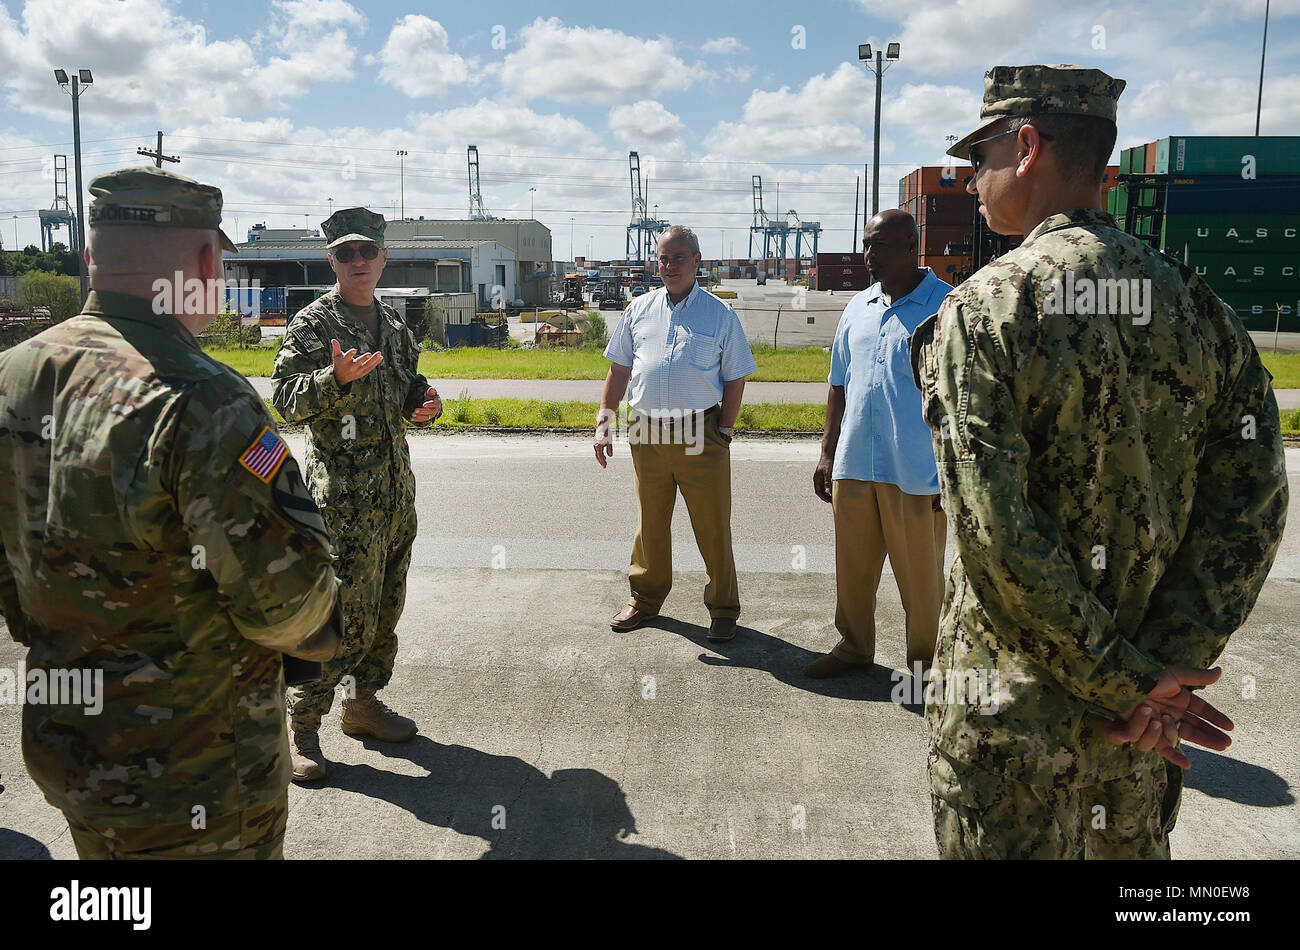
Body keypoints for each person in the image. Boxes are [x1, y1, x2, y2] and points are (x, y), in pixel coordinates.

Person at [911, 64, 1287, 859]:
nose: (974, 182)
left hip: (1015, 737)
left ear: (1027, 145)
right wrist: (1169, 669)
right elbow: (1253, 500)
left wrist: (1127, 683)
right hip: (1137, 748)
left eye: (979, 160)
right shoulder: (1197, 304)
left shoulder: (984, 310)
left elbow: (997, 537)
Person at [0, 166, 341, 859]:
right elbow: (288, 605)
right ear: (208, 261)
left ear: (92, 255)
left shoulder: (14, 374)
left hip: (68, 746)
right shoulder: (203, 400)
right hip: (194, 773)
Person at [272, 207, 442, 782]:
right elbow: (285, 401)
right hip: (341, 500)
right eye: (346, 253)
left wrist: (426, 405)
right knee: (334, 613)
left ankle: (362, 705)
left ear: (384, 257)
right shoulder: (313, 325)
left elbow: (408, 393)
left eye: (367, 251)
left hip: (394, 495)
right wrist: (333, 379)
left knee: (385, 606)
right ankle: (300, 729)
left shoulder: (394, 326)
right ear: (332, 261)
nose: (359, 262)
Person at [595, 226, 757, 642]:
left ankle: (723, 608)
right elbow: (619, 368)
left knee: (712, 524)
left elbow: (736, 378)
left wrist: (724, 430)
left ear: (698, 261)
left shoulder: (720, 315)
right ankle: (644, 599)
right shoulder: (639, 309)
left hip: (700, 431)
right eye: (663, 259)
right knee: (650, 521)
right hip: (643, 428)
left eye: (678, 258)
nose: (669, 266)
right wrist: (604, 421)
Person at [807, 209, 951, 679]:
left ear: (912, 247)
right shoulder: (858, 307)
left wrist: (950, 475)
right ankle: (853, 646)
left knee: (921, 580)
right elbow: (838, 384)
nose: (869, 256)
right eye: (867, 245)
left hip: (915, 472)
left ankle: (925, 667)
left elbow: (959, 401)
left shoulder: (946, 307)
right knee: (853, 570)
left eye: (880, 246)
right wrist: (828, 452)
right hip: (853, 464)